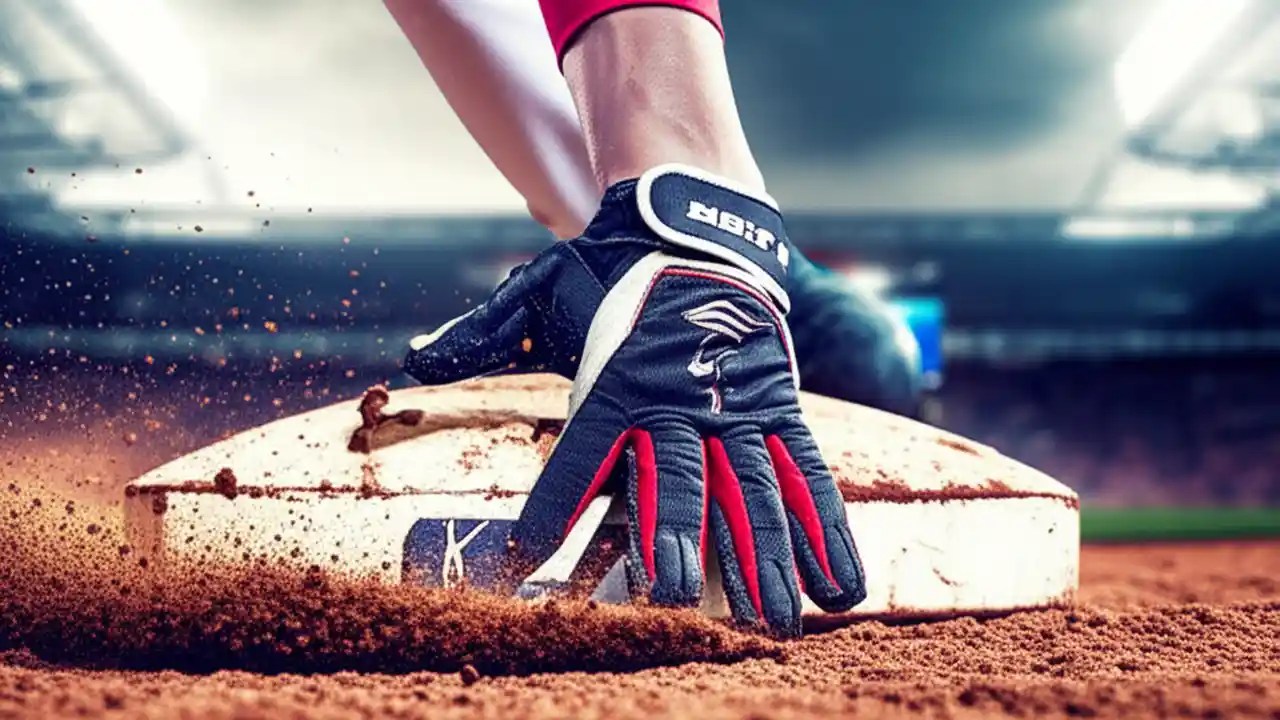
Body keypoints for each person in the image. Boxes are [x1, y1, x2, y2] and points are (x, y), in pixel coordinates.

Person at [389, 0, 899, 636]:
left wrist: (696, 205)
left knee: (867, 360)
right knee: (865, 353)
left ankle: (698, 238)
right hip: (618, 234)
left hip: (681, 232)